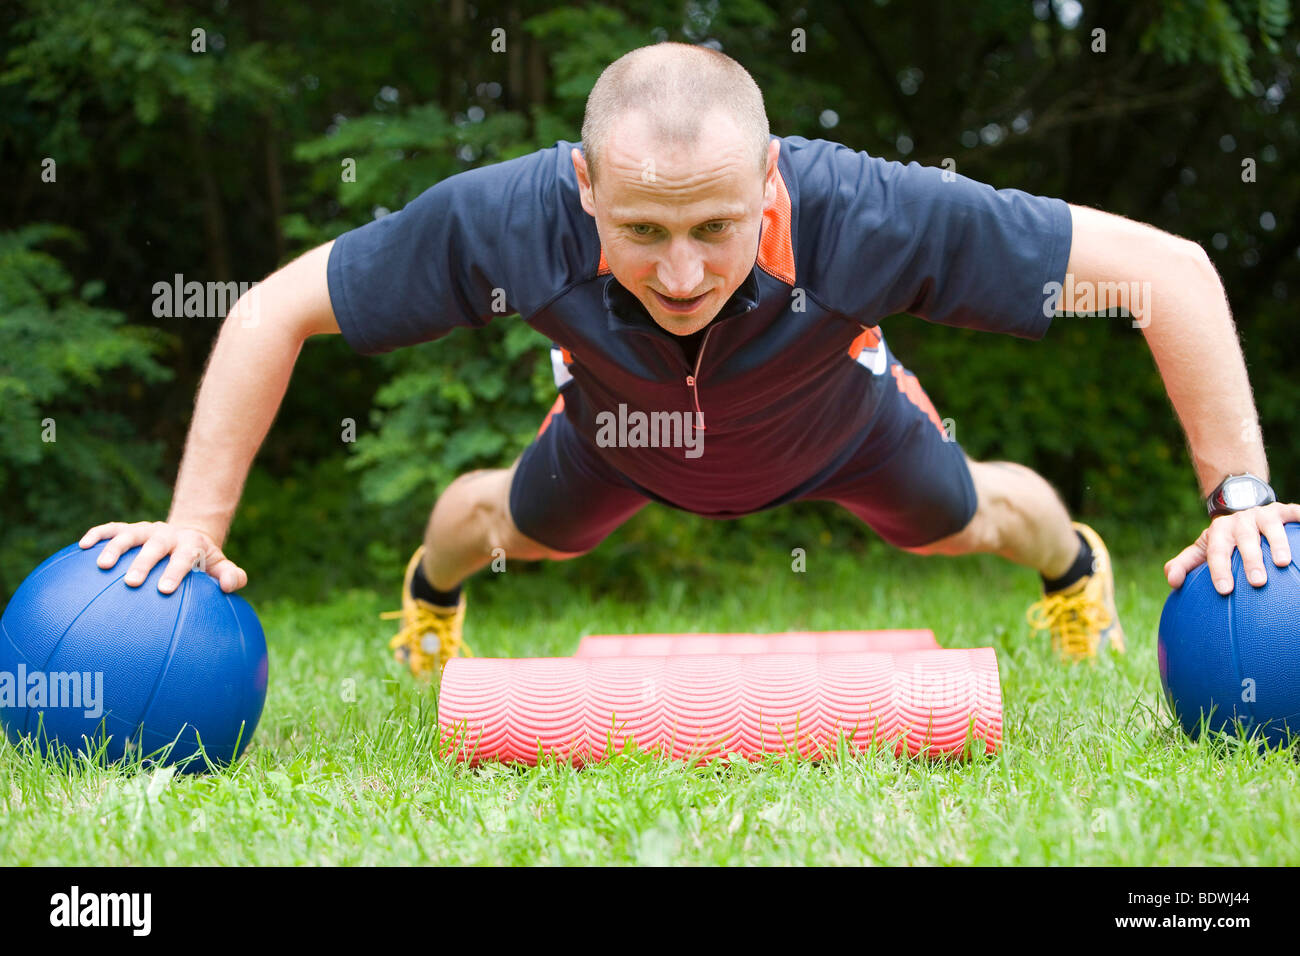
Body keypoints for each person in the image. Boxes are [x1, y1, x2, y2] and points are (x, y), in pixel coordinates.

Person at [81, 42, 1297, 673]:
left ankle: (1076, 571)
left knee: (968, 517)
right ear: (583, 187)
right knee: (497, 524)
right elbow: (270, 310)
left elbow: (1171, 273)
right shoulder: (506, 218)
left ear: (768, 181)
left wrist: (1238, 496)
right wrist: (195, 524)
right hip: (618, 435)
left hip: (835, 421)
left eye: (714, 228)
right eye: (640, 230)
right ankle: (430, 607)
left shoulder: (869, 214)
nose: (677, 274)